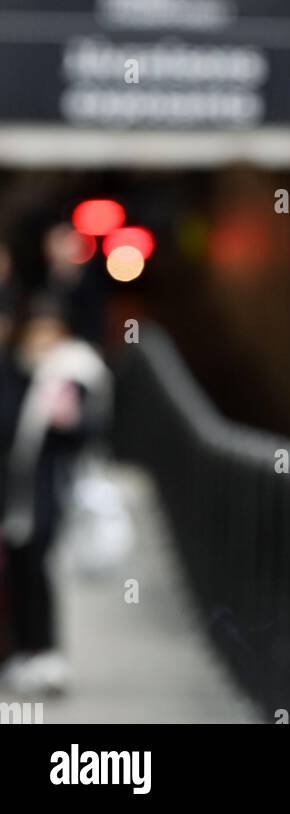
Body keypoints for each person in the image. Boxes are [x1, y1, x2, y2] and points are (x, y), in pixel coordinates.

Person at [0, 291, 112, 695]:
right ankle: (20, 651)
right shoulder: (14, 371)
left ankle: (45, 652)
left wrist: (67, 420)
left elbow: (85, 433)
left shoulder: (68, 372)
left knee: (37, 568)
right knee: (16, 571)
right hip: (13, 492)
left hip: (47, 490)